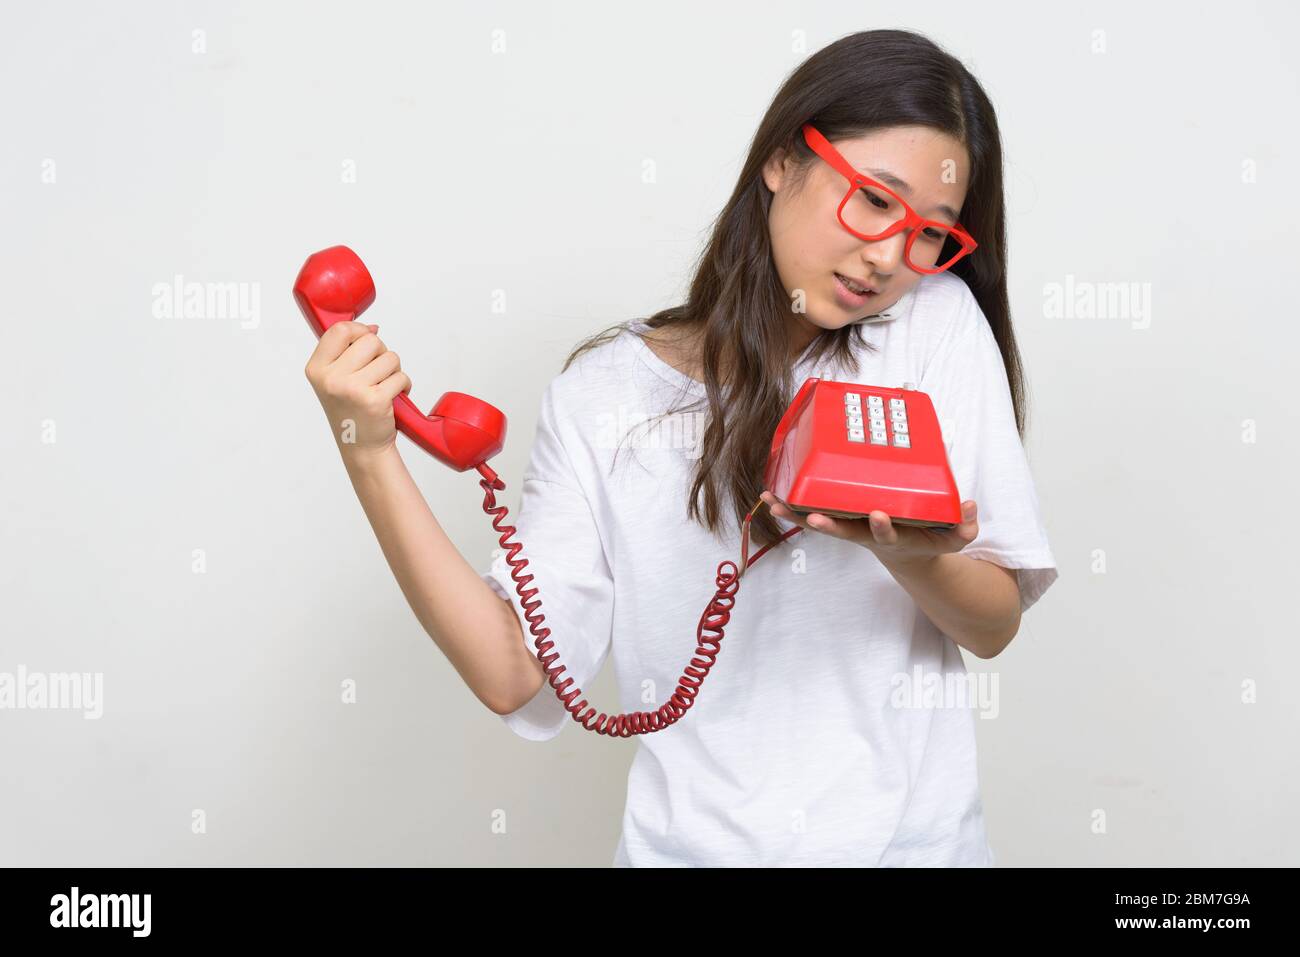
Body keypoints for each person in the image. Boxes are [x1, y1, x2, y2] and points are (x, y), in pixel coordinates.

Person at [303, 28, 1057, 867]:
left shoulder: (933, 324)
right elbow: (514, 673)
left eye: (929, 232)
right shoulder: (605, 395)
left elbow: (991, 625)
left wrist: (915, 558)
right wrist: (372, 451)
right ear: (781, 158)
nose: (889, 256)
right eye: (875, 200)